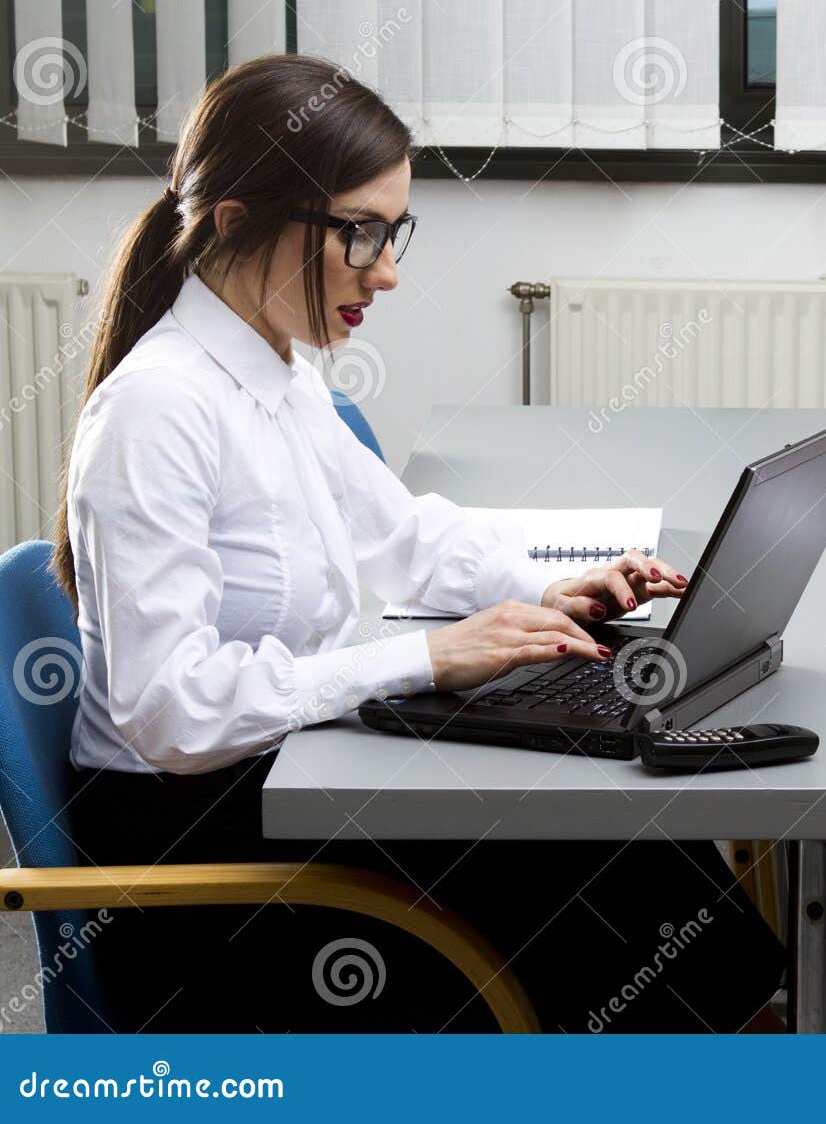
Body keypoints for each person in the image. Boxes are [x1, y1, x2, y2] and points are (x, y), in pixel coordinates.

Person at [56, 54, 783, 1033]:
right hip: (202, 854)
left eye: (392, 231)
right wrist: (424, 657)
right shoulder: (155, 412)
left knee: (642, 849)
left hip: (286, 773)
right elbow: (167, 711)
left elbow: (403, 538)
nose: (388, 271)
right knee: (623, 886)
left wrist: (559, 587)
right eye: (358, 235)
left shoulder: (274, 368)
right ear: (235, 224)